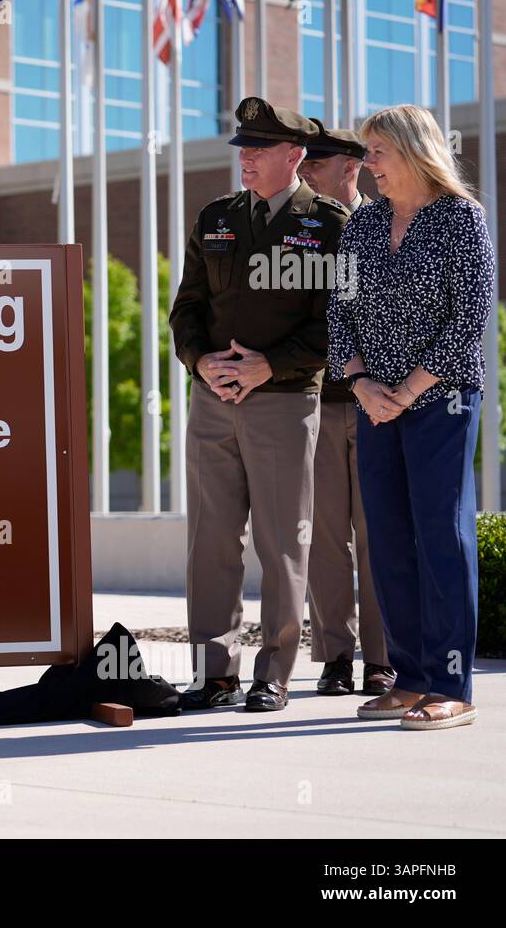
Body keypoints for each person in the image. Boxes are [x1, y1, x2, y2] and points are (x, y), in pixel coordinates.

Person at [170, 97, 349, 712]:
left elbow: (341, 321)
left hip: (283, 402)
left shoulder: (331, 224)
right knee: (212, 541)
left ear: (295, 156)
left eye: (259, 150)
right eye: (242, 149)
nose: (244, 159)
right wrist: (201, 361)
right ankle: (213, 672)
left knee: (282, 541)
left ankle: (272, 672)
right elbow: (186, 308)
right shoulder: (215, 217)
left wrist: (269, 364)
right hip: (212, 400)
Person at [328, 104, 494, 730]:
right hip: (374, 401)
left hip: (443, 398)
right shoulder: (363, 226)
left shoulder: (462, 219)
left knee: (441, 534)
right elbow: (339, 311)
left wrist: (408, 389)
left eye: (376, 153)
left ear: (414, 152)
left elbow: (469, 316)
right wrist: (365, 381)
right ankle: (411, 677)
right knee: (389, 537)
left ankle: (452, 684)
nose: (367, 166)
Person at [298, 123, 395, 697]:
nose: (306, 171)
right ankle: (336, 656)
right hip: (318, 404)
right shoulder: (299, 229)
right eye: (304, 163)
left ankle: (382, 659)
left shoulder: (381, 224)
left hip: (379, 404)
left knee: (378, 533)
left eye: (316, 163)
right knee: (325, 540)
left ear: (349, 168)